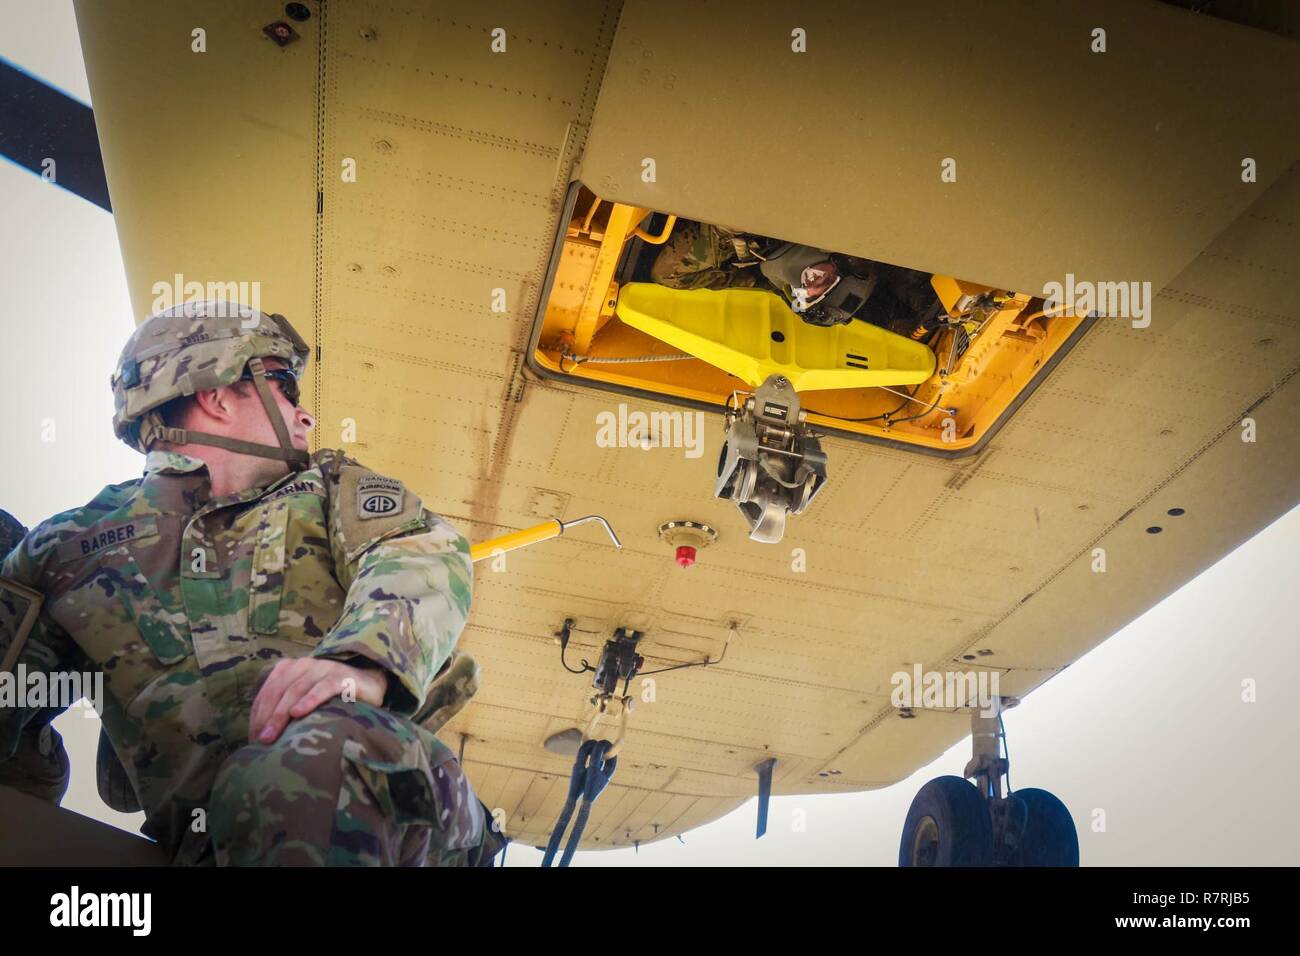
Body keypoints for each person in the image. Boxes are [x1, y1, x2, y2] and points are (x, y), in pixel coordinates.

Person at [0, 301, 503, 866]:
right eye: (285, 387)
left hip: (401, 807)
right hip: (218, 845)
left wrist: (363, 665)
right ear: (216, 394)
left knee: (313, 763)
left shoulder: (329, 489)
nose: (305, 416)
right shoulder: (70, 547)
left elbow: (418, 554)